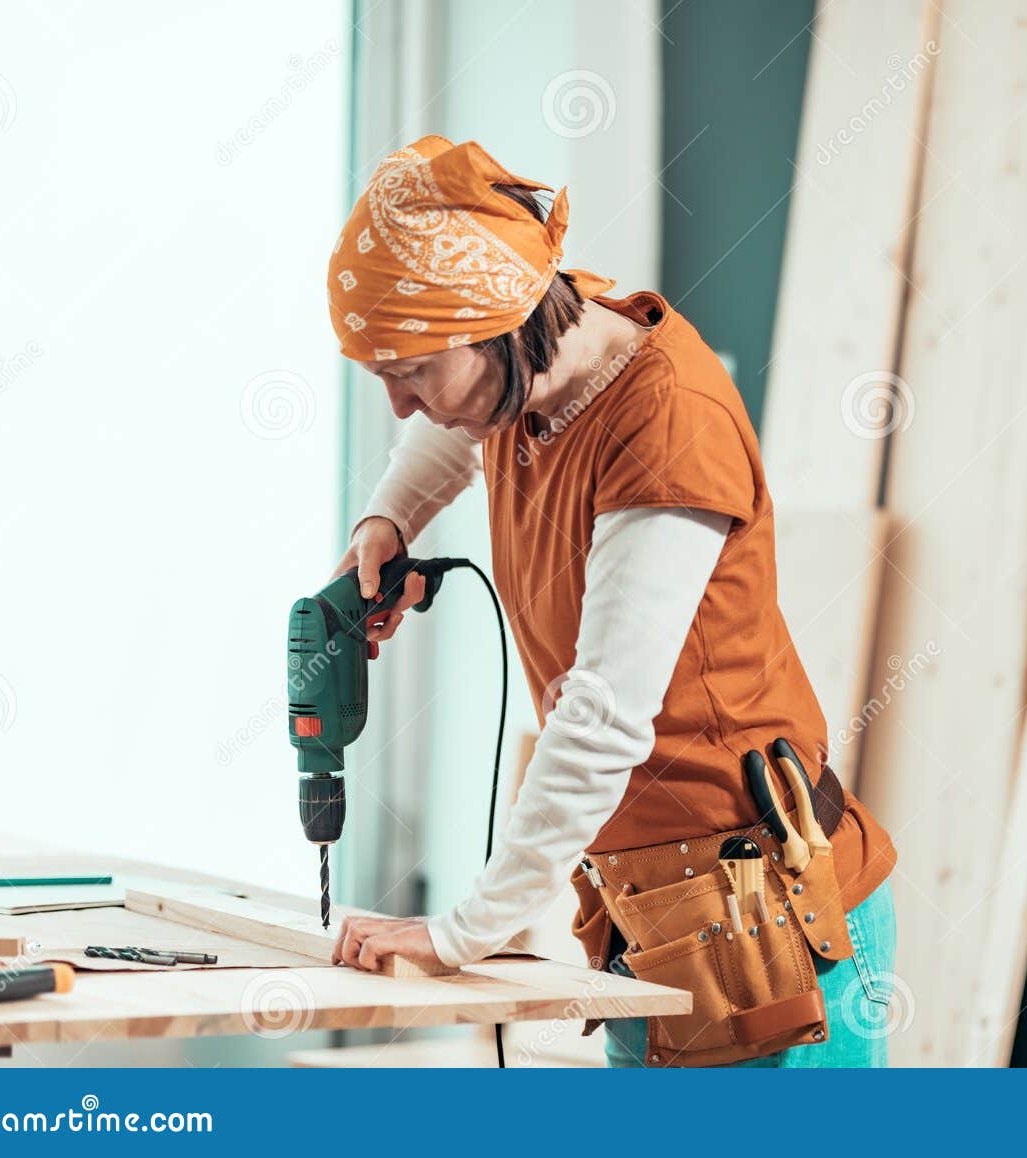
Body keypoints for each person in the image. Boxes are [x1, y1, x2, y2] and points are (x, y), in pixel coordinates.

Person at [321, 136, 897, 1067]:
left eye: (411, 372)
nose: (400, 404)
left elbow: (601, 719)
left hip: (768, 933)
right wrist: (389, 518)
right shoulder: (528, 364)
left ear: (495, 323)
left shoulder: (665, 426)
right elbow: (452, 426)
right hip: (648, 923)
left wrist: (462, 933)